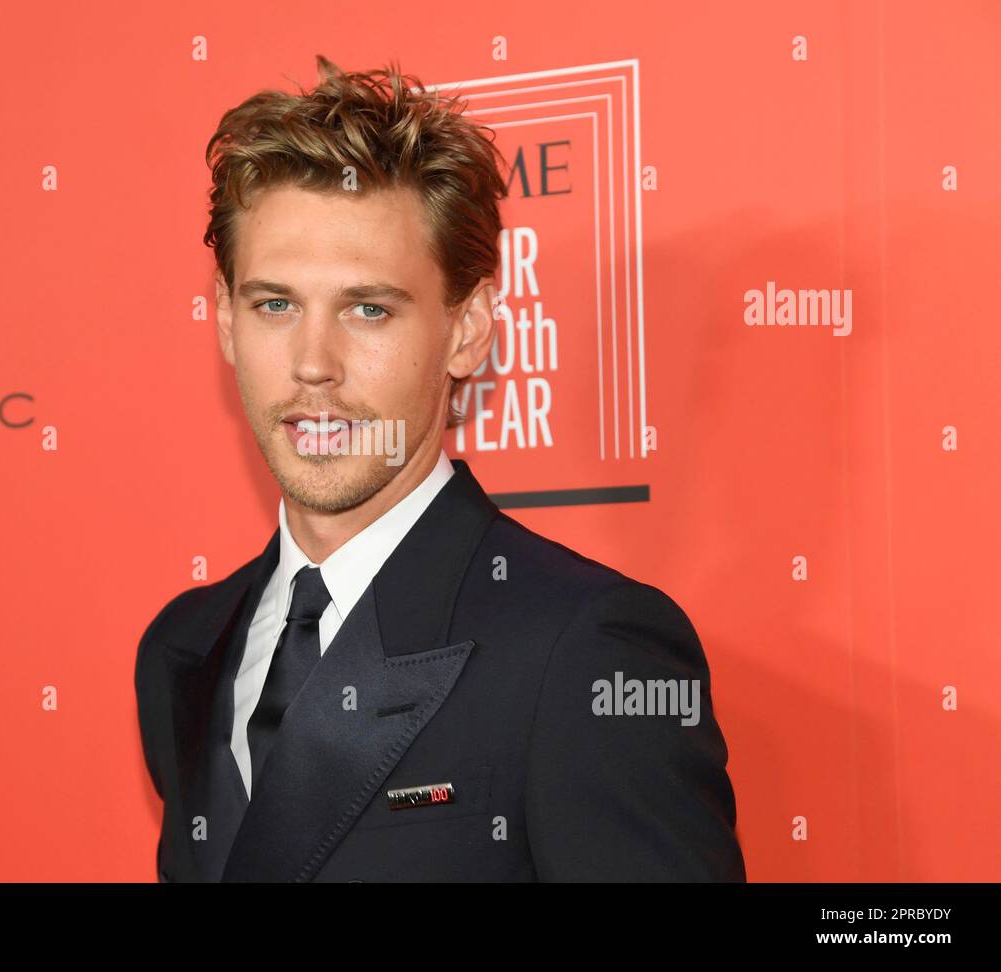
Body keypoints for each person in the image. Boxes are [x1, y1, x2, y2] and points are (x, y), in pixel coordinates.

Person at [134, 55, 746, 882]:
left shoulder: (586, 651)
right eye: (275, 304)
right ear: (224, 321)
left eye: (368, 309)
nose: (313, 364)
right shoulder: (185, 646)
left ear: (468, 332)